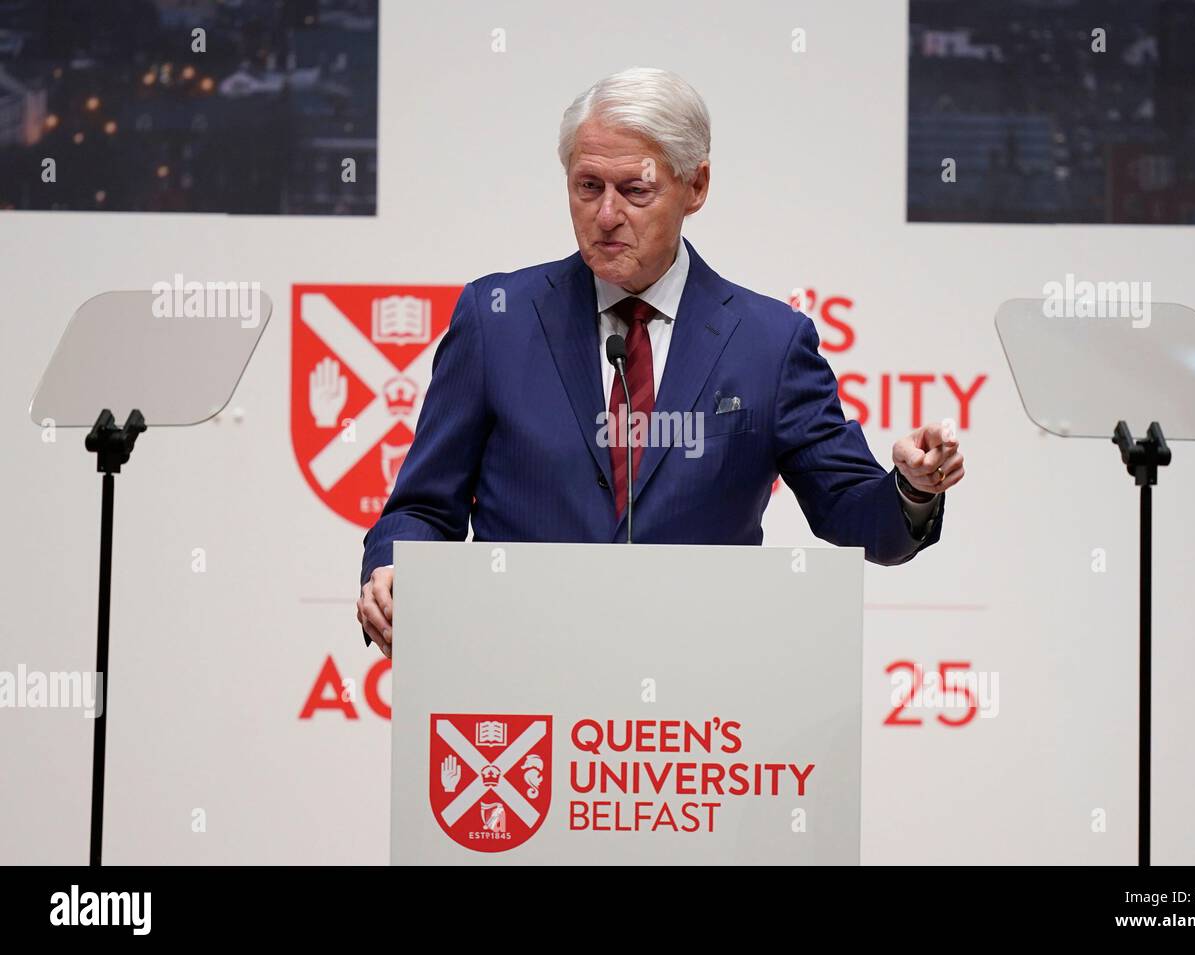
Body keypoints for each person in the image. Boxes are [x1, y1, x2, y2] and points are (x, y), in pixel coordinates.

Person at [357, 67, 966, 655]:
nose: (605, 215)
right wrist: (392, 565)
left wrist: (911, 491)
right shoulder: (497, 320)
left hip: (693, 707)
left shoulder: (770, 344)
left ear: (695, 187)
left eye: (636, 190)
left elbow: (856, 518)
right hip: (519, 686)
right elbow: (422, 506)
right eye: (587, 186)